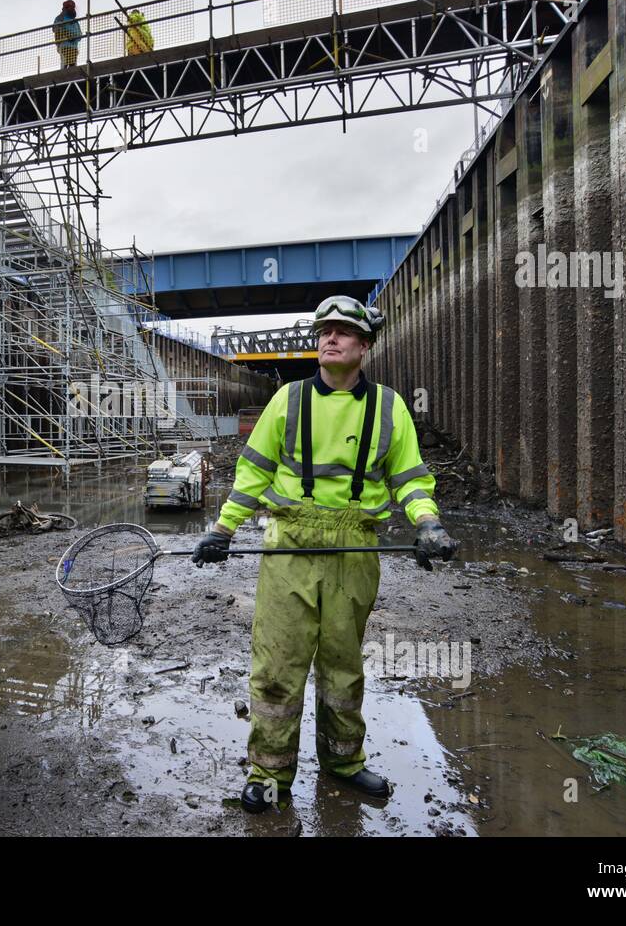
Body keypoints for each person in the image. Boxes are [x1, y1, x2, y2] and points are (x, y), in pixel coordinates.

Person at [191, 295, 460, 814]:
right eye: (323, 332)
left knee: (343, 666)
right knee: (278, 664)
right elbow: (255, 473)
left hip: (355, 546)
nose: (328, 338)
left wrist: (428, 524)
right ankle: (268, 773)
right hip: (289, 544)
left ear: (364, 346)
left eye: (342, 331)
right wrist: (222, 530)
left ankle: (344, 762)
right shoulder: (289, 400)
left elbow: (409, 478)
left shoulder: (388, 407)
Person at [53, 0, 82, 68]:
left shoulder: (75, 21)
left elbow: (79, 34)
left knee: (73, 66)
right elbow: (56, 29)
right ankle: (63, 75)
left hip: (74, 47)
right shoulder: (60, 18)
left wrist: (74, 37)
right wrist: (68, 35)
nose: (72, 8)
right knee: (65, 64)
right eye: (70, 7)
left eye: (73, 7)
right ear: (66, 8)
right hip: (64, 46)